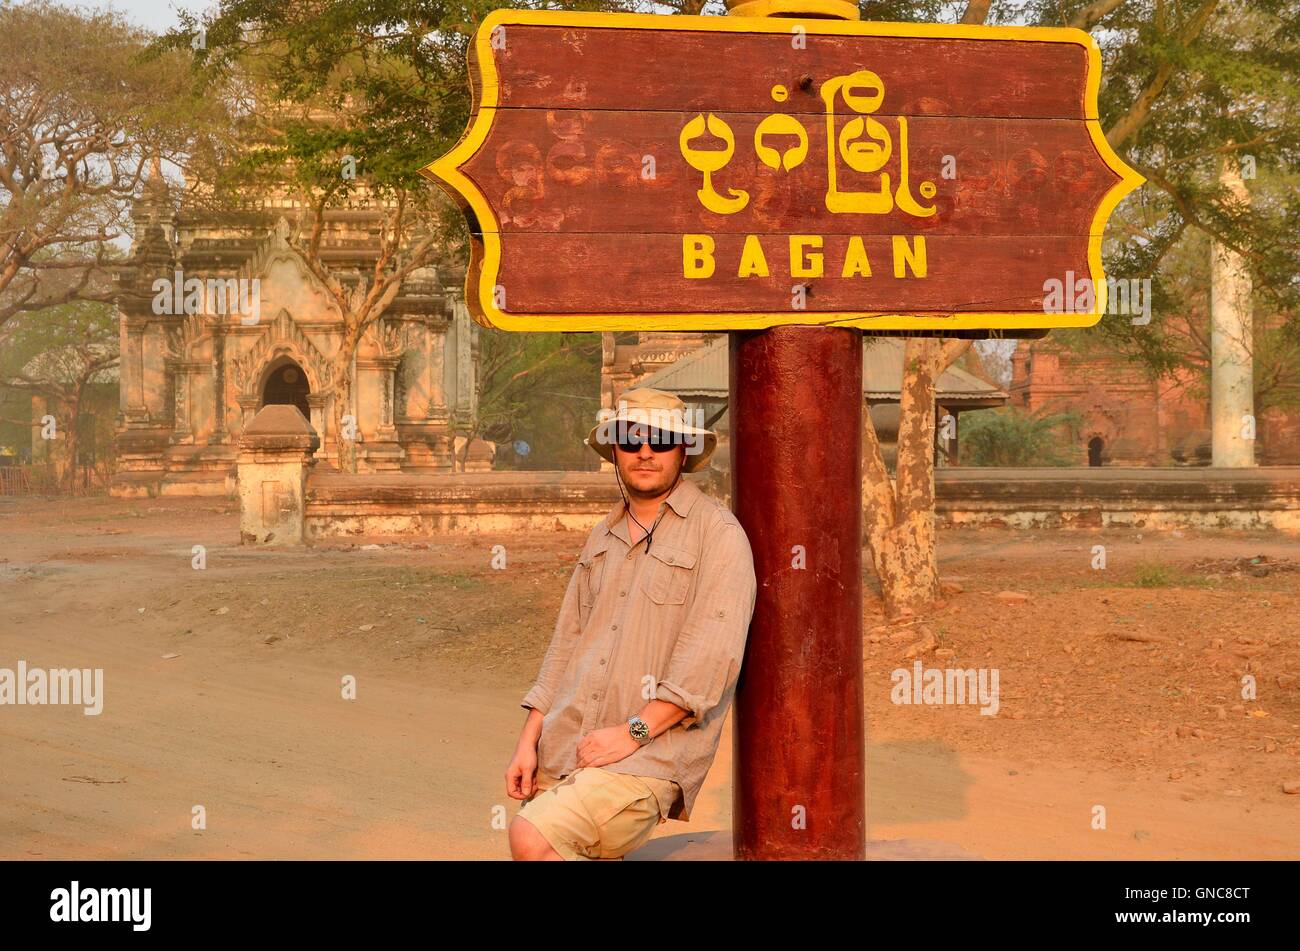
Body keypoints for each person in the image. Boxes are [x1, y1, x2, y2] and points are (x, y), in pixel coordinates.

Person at [506, 387, 757, 861]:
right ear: (615, 450)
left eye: (661, 440)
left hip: (648, 758)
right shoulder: (602, 537)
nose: (645, 452)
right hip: (572, 748)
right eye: (631, 439)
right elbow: (566, 646)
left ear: (683, 451)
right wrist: (528, 742)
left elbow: (709, 662)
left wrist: (632, 733)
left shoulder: (717, 535)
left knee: (532, 838)